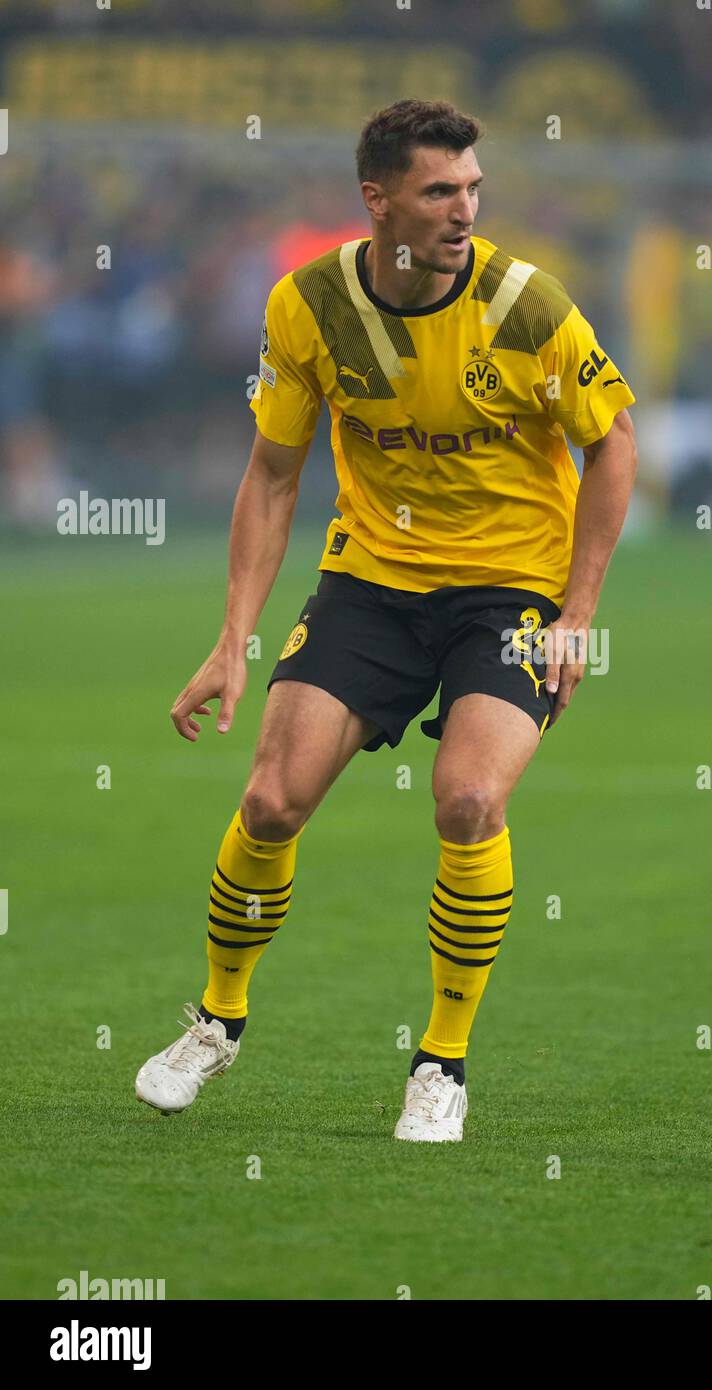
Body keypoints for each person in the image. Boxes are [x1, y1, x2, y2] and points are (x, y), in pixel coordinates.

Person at [135, 98, 638, 1142]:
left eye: (472, 190)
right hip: (372, 582)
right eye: (438, 191)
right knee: (271, 800)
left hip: (508, 594)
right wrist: (233, 636)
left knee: (465, 802)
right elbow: (273, 473)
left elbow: (614, 437)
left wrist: (576, 614)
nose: (463, 210)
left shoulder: (526, 306)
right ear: (378, 201)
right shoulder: (306, 306)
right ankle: (217, 1021)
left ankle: (441, 1063)